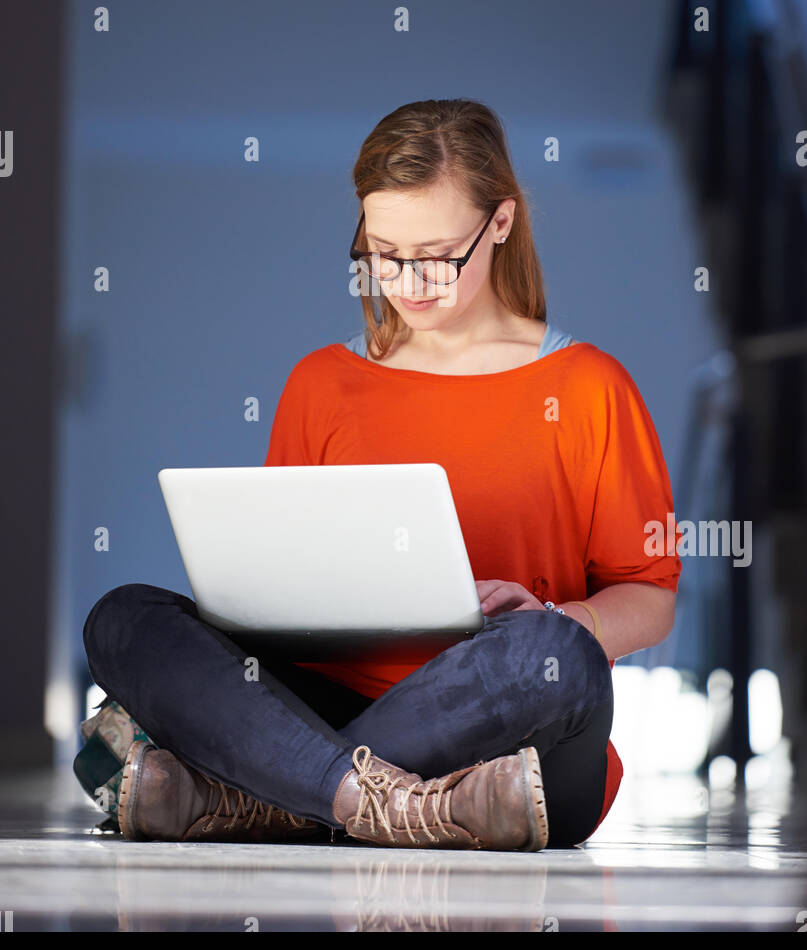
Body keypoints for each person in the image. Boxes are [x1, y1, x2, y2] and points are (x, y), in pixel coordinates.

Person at [81, 98, 681, 851]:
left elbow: (650, 599)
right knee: (124, 618)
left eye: (434, 255)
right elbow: (271, 583)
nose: (407, 281)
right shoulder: (321, 383)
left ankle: (266, 796)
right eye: (382, 252)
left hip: (509, 737)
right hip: (325, 706)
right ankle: (378, 802)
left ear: (500, 222)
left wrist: (557, 615)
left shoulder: (591, 387)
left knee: (556, 657)